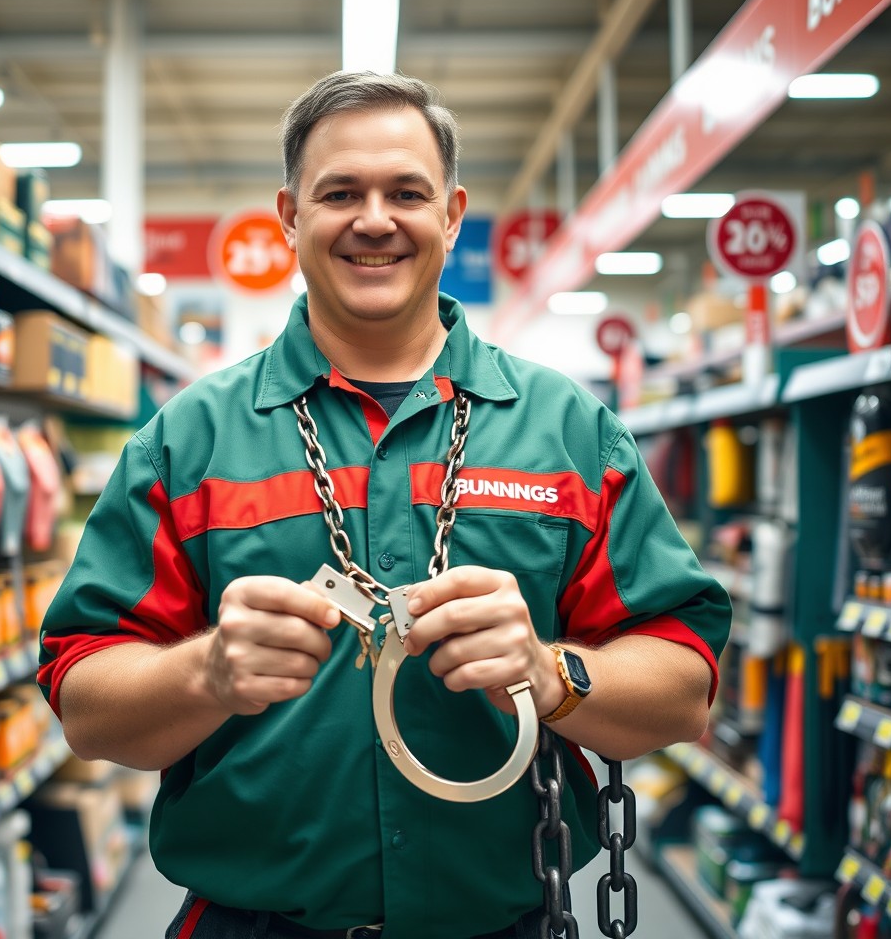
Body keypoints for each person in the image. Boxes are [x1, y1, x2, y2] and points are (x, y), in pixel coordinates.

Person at [37, 70, 731, 939]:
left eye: (407, 192)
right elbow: (84, 703)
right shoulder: (186, 442)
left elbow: (684, 689)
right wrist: (205, 673)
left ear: (452, 214)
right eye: (340, 194)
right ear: (290, 216)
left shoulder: (571, 434)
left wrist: (549, 673)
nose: (374, 220)